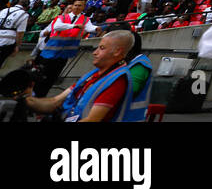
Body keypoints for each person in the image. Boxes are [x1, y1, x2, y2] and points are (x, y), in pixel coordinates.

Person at [19, 30, 152, 122]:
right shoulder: (92, 75)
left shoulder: (117, 80)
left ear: (118, 51)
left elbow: (92, 119)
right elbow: (55, 102)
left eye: (102, 48)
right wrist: (25, 99)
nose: (94, 52)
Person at [30, 0, 89, 97]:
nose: (72, 11)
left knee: (50, 78)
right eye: (70, 9)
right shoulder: (58, 20)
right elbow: (44, 32)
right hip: (45, 53)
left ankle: (40, 96)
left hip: (61, 55)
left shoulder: (79, 23)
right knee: (38, 75)